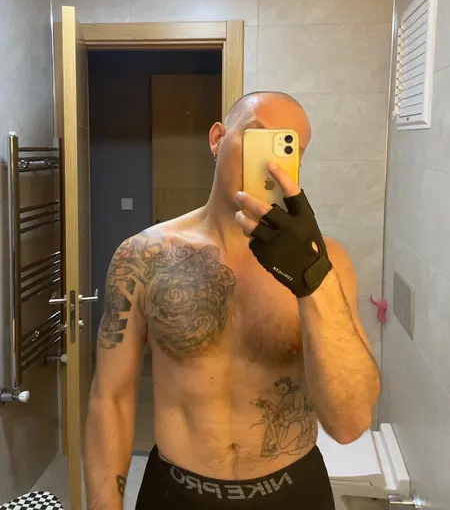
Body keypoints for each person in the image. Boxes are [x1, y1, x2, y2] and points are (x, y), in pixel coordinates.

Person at [84, 91, 380, 510]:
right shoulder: (142, 257)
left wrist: (312, 280)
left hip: (294, 492)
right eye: (257, 136)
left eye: (288, 147)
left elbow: (350, 425)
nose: (270, 161)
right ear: (217, 138)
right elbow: (110, 398)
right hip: (175, 493)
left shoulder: (327, 263)